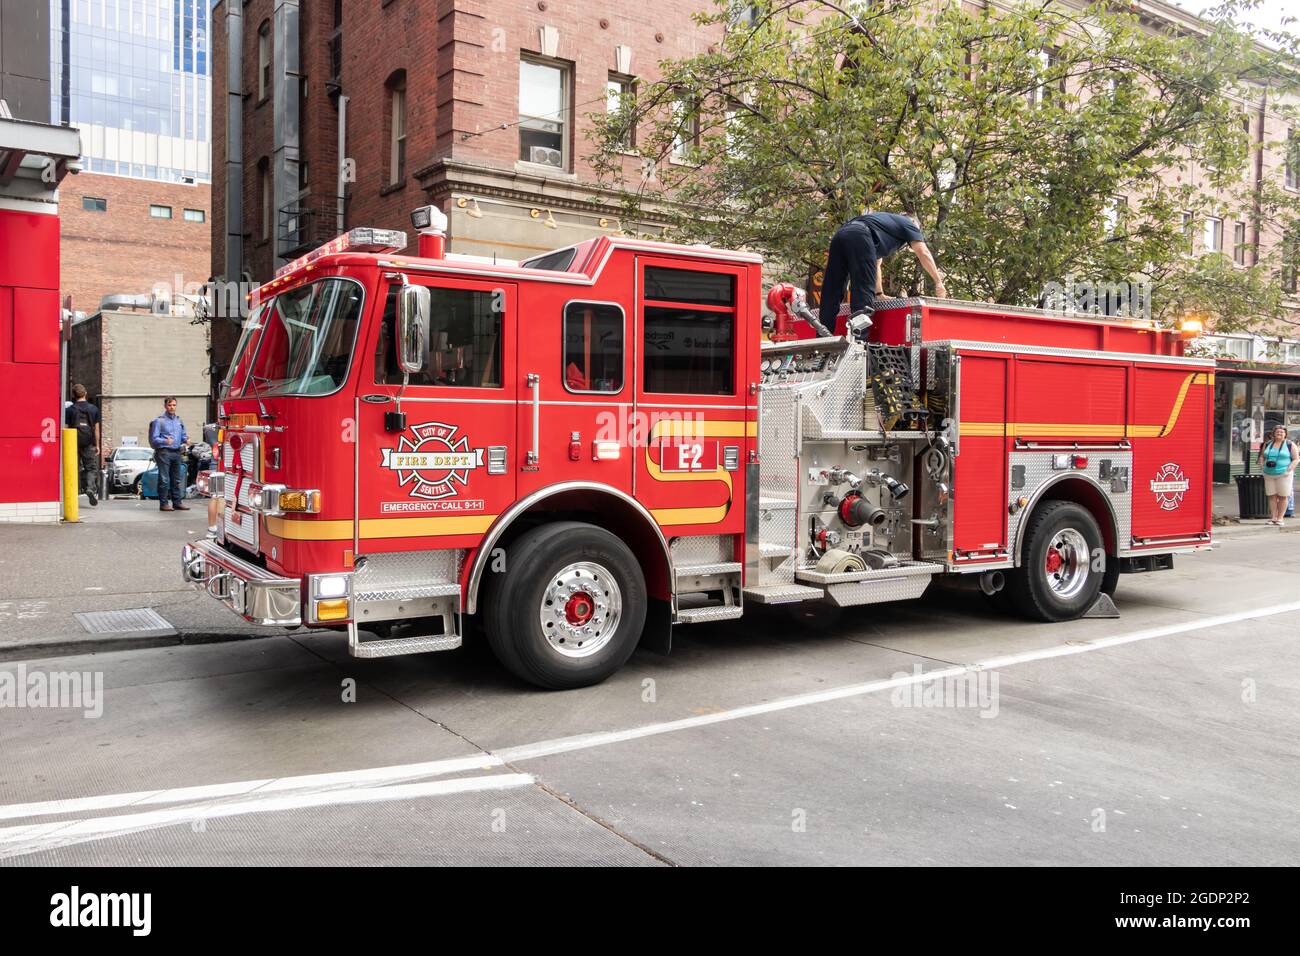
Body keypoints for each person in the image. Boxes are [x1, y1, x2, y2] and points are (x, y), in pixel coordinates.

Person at [818, 211, 948, 329]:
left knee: (832, 288)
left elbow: (876, 264)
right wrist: (938, 282)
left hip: (840, 234)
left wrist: (879, 294)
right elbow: (923, 252)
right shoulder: (909, 223)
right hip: (860, 235)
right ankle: (858, 342)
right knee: (863, 292)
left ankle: (823, 338)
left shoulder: (882, 223)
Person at [149, 397, 191, 512]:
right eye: (170, 405)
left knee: (176, 479)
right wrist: (164, 441)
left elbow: (183, 435)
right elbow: (154, 439)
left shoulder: (179, 420)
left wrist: (186, 439)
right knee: (164, 479)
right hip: (164, 452)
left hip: (177, 452)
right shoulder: (159, 421)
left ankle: (177, 502)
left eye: (174, 405)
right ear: (165, 406)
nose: (172, 407)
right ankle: (164, 504)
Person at [64, 384, 101, 507]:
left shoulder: (70, 410)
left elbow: (66, 428)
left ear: (73, 396)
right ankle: (90, 488)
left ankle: (72, 493)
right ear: (85, 393)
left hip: (73, 442)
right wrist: (97, 445)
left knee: (73, 468)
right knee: (91, 468)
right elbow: (96, 429)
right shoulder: (93, 409)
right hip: (88, 443)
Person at [1257, 424, 1297, 527]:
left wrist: (1288, 470)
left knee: (1283, 496)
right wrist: (1262, 465)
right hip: (1269, 474)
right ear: (1273, 433)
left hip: (1284, 474)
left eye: (1282, 432)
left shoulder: (1290, 444)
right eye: (1277, 432)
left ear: (1285, 434)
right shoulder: (1268, 443)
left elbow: (1296, 459)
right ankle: (1273, 517)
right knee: (1271, 496)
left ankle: (1280, 518)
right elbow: (1262, 456)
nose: (1279, 433)